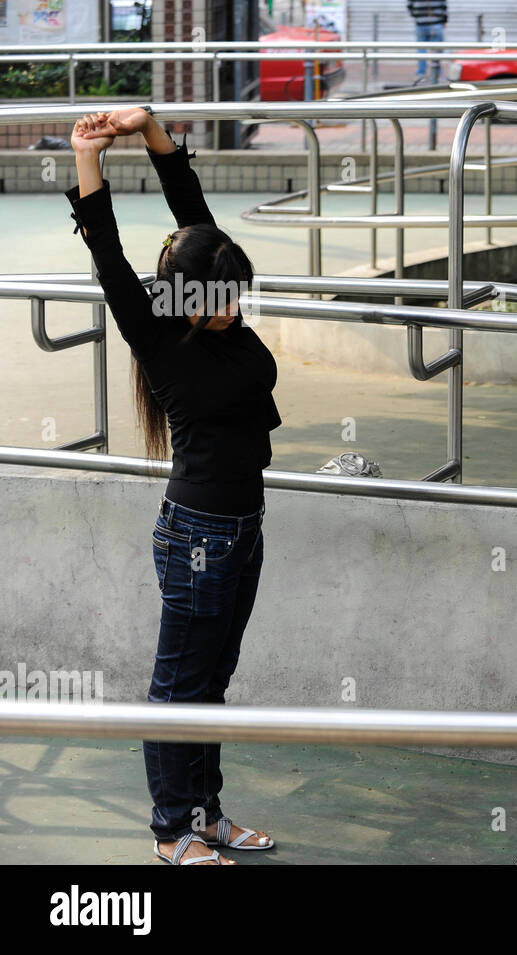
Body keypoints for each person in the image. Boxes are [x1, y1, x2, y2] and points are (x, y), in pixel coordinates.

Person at [68, 108, 280, 865]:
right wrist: (88, 155)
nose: (233, 307)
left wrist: (151, 127)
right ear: (186, 296)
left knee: (212, 682)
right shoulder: (154, 325)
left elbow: (192, 214)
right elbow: (107, 248)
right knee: (179, 688)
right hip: (199, 534)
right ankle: (169, 833)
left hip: (243, 525)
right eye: (220, 297)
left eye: (237, 292)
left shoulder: (211, 288)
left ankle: (207, 814)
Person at [407, 0, 449, 86]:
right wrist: (444, 20)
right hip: (436, 23)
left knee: (421, 50)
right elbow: (444, 6)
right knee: (437, 51)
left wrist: (416, 16)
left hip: (420, 23)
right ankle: (437, 74)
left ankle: (421, 74)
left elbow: (409, 6)